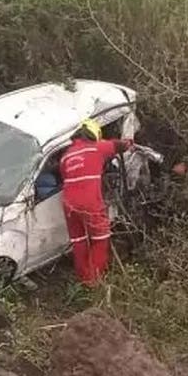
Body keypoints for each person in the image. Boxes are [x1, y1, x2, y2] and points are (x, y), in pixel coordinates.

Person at [58, 119, 133, 286]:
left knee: (79, 241)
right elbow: (120, 145)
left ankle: (83, 276)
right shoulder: (97, 148)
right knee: (101, 238)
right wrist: (129, 142)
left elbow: (66, 176)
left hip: (69, 203)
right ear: (95, 136)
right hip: (89, 202)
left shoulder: (65, 157)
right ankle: (93, 280)